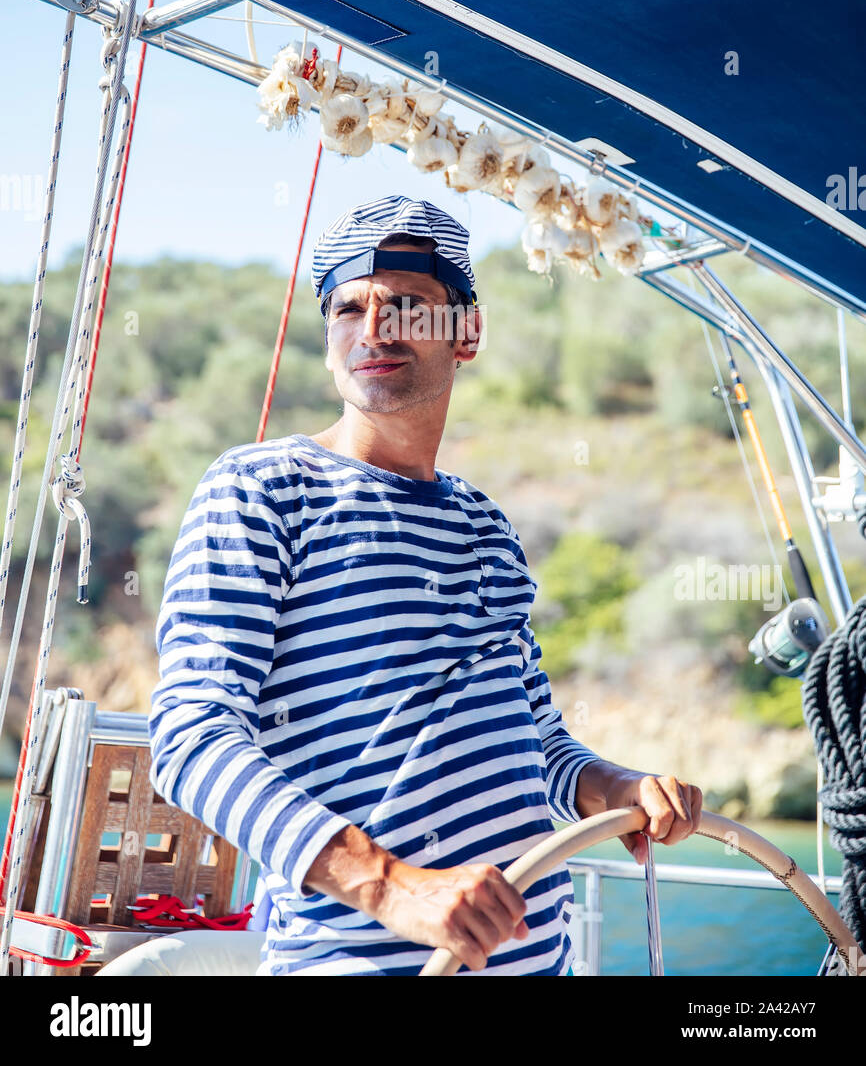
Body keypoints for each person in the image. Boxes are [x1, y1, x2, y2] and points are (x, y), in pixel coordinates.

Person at [149, 193, 702, 976]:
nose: (372, 331)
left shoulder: (484, 523)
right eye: (348, 309)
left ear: (467, 332)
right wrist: (395, 888)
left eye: (407, 305)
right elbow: (191, 737)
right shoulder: (260, 489)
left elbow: (535, 740)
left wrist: (614, 786)